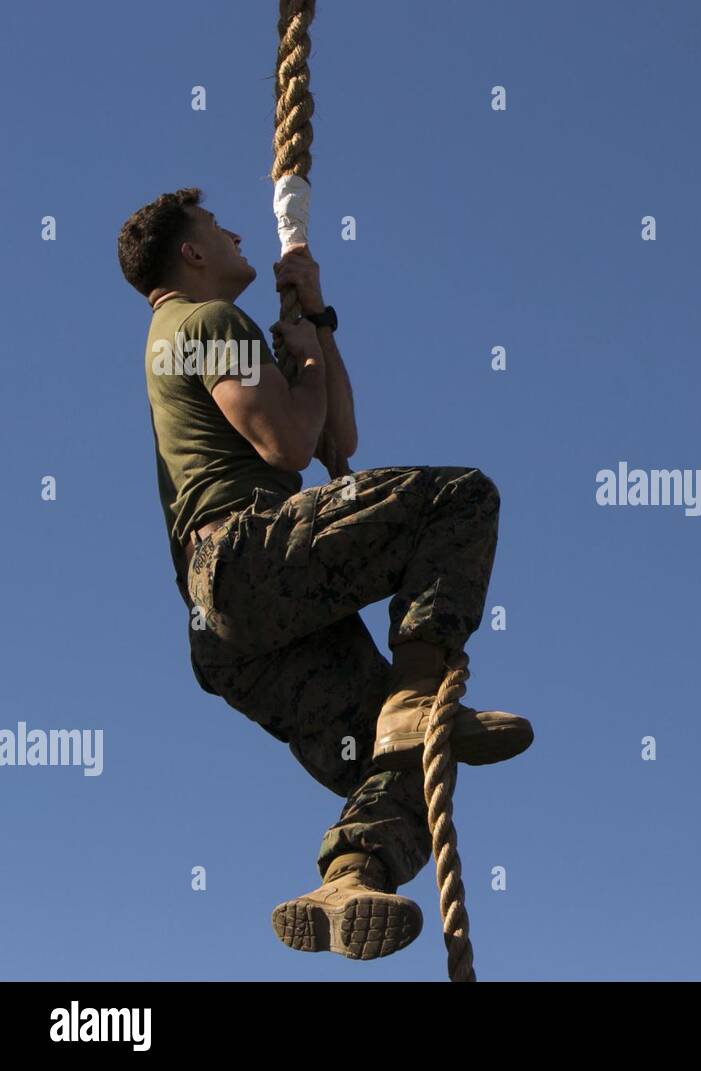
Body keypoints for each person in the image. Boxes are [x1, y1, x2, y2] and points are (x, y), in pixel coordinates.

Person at [117, 187, 533, 961]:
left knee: (403, 758)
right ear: (191, 253)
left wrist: (315, 323)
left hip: (228, 632)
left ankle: (350, 875)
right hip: (246, 559)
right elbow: (287, 440)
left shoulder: (181, 334)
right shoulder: (207, 322)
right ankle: (416, 689)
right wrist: (298, 351)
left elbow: (338, 436)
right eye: (217, 227)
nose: (238, 232)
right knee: (459, 497)